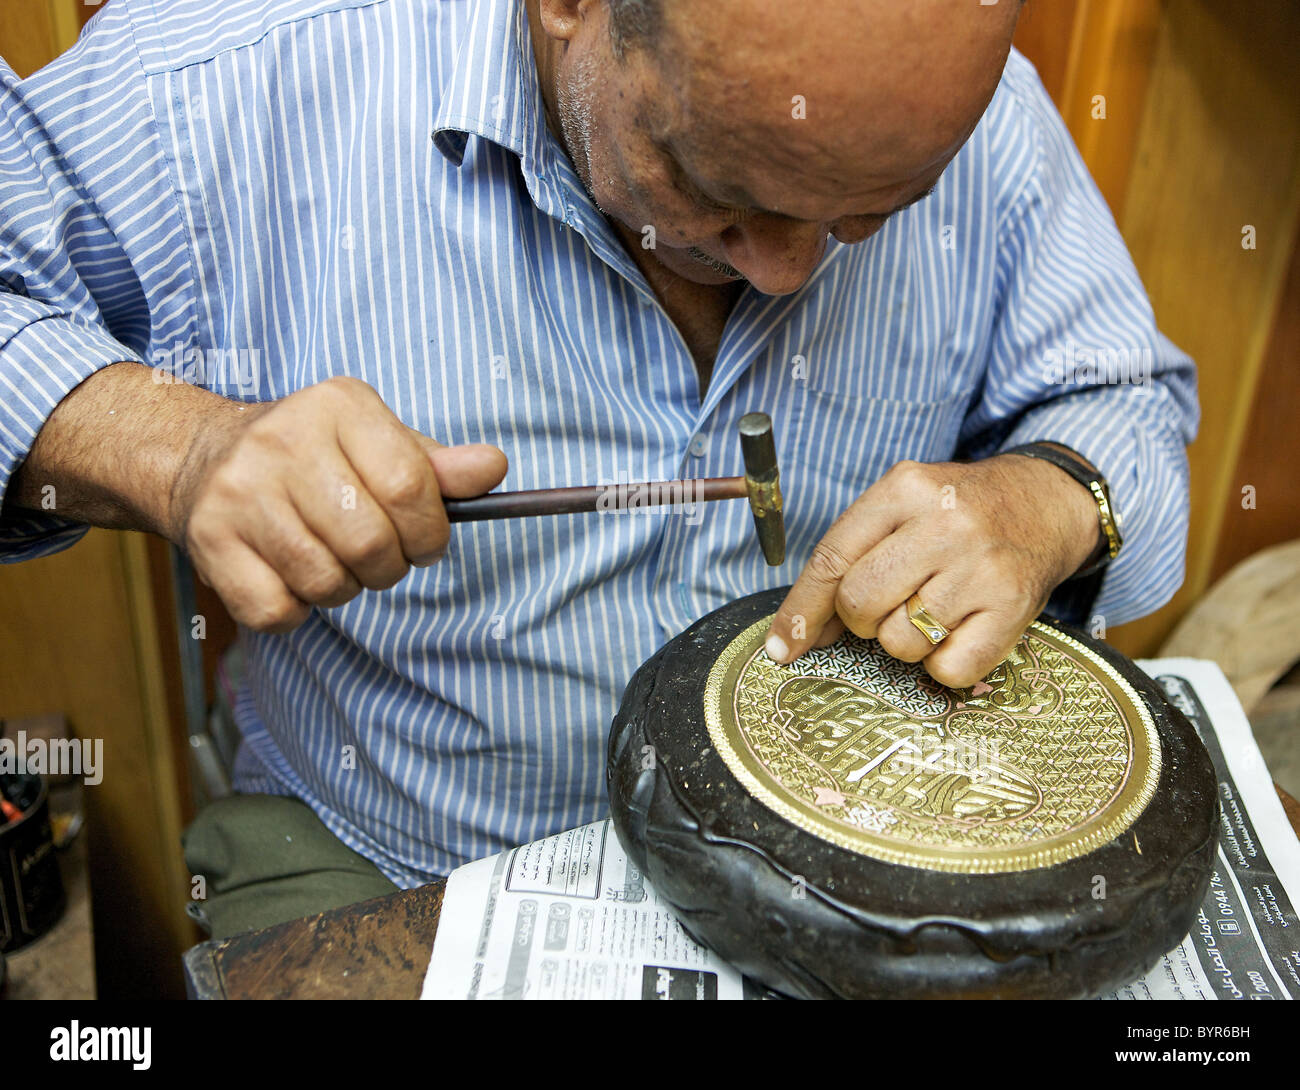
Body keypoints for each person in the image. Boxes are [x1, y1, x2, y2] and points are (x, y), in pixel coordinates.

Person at [0, 0, 1196, 935]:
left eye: (869, 214)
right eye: (714, 187)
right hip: (402, 860)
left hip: (850, 868)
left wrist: (1044, 496)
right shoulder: (227, 77)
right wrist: (176, 444)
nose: (784, 270)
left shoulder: (975, 114)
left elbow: (1124, 396)